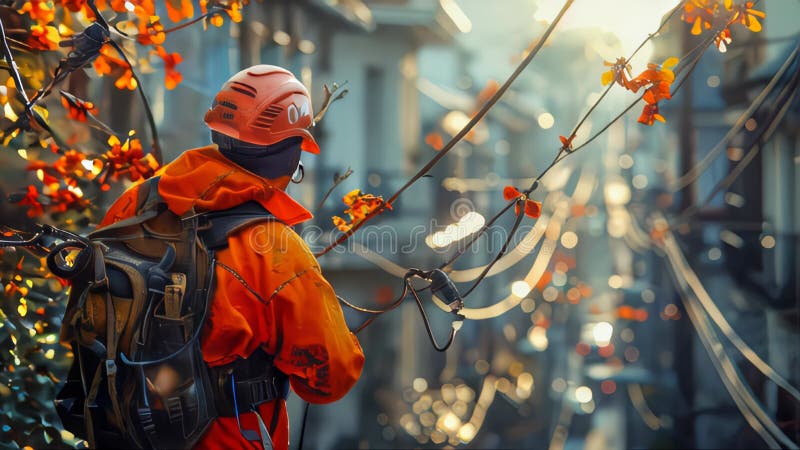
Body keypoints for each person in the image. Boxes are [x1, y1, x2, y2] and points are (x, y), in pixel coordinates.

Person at [96, 65, 364, 450]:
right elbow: (331, 379)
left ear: (218, 133)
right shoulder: (275, 250)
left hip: (121, 432)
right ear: (291, 153)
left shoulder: (137, 202)